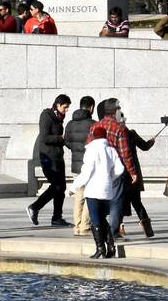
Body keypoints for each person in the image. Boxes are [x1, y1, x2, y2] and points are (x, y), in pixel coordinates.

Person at [72, 123, 125, 260]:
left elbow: (86, 172)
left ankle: (100, 248)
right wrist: (109, 177)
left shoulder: (92, 150)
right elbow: (120, 169)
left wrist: (74, 187)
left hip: (93, 190)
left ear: (94, 137)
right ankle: (111, 246)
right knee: (102, 218)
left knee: (96, 220)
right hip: (107, 189)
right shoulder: (111, 150)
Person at [92, 97, 138, 247]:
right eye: (119, 108)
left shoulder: (96, 126)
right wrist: (132, 171)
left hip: (99, 170)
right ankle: (113, 232)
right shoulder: (120, 128)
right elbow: (125, 153)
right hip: (116, 170)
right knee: (116, 201)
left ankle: (104, 231)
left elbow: (89, 146)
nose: (120, 111)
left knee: (102, 200)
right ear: (113, 111)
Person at [27, 93, 72, 228]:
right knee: (56, 186)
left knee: (61, 187)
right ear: (58, 105)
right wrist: (61, 138)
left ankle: (57, 218)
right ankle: (35, 207)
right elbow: (45, 137)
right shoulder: (47, 115)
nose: (67, 110)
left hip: (58, 157)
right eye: (65, 107)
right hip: (48, 157)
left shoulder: (59, 118)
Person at [64, 96, 96, 238]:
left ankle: (77, 226)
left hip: (76, 165)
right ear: (91, 107)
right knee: (90, 196)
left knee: (79, 195)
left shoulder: (70, 123)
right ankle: (85, 225)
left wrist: (76, 149)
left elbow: (66, 141)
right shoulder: (93, 124)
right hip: (89, 165)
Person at [122, 122, 156, 238]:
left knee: (120, 201)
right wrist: (151, 141)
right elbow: (145, 146)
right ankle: (147, 226)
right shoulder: (131, 133)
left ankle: (119, 226)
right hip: (134, 172)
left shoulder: (115, 135)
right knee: (137, 201)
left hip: (122, 172)